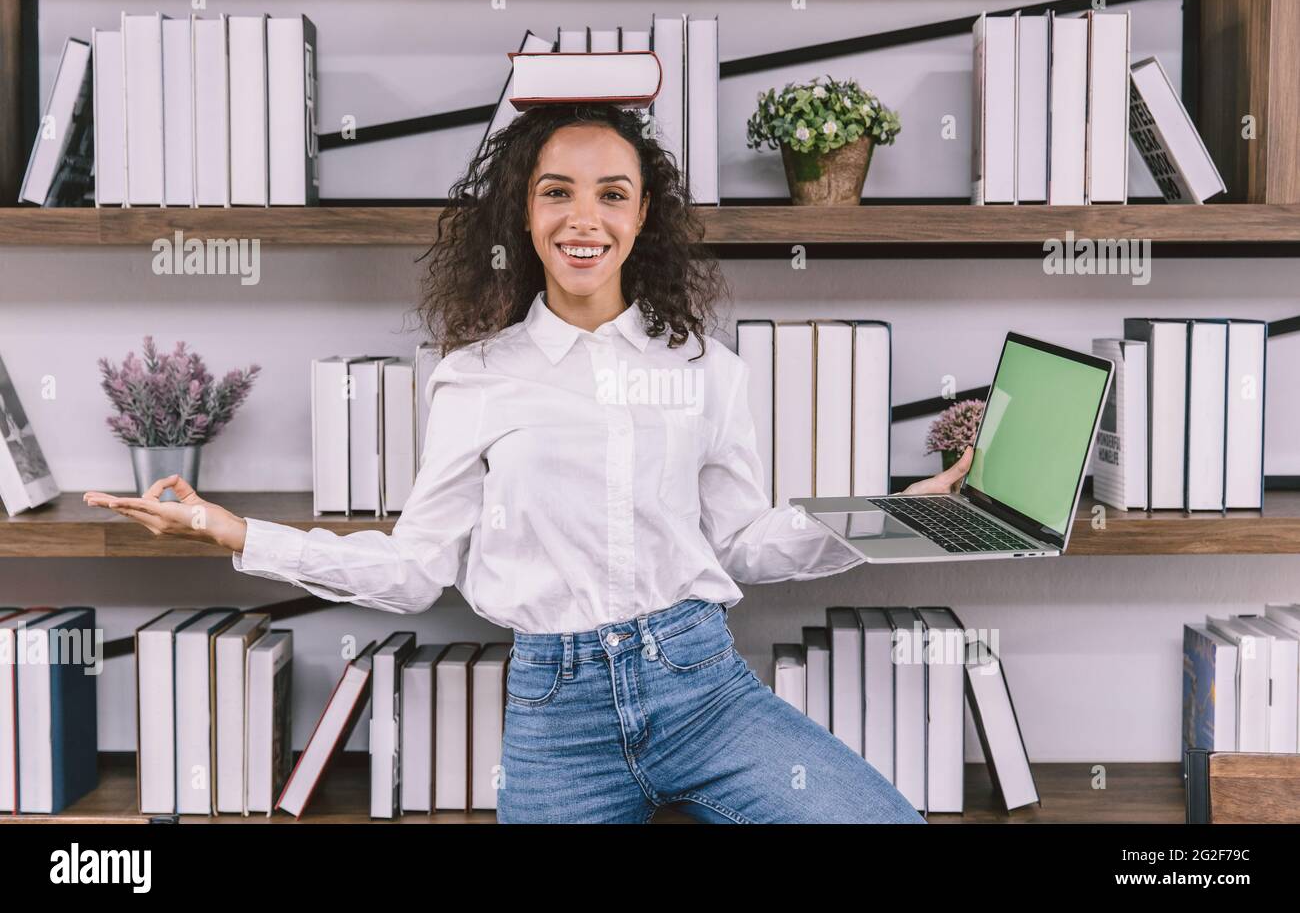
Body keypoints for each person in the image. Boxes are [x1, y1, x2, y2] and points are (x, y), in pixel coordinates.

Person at [85, 103, 973, 823]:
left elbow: (743, 543)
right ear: (526, 212)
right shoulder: (475, 378)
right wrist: (234, 530)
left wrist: (907, 509)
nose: (584, 219)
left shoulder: (707, 369)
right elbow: (412, 572)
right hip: (556, 715)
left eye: (612, 195)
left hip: (703, 689)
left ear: (642, 216)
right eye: (558, 192)